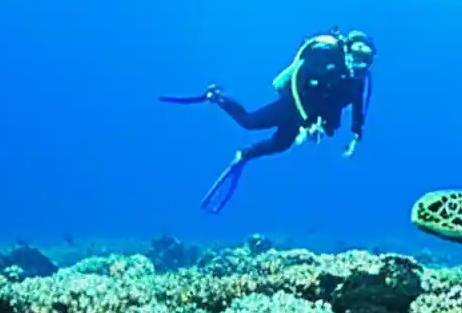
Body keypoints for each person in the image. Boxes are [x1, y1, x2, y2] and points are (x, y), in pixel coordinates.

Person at [160, 27, 375, 213]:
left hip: (321, 114)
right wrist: (308, 121)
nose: (361, 63)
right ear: (347, 49)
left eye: (367, 58)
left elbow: (358, 105)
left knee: (281, 144)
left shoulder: (359, 79)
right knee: (249, 122)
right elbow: (297, 85)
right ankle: (215, 97)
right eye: (357, 54)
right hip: (296, 103)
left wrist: (357, 134)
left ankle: (245, 154)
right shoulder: (324, 56)